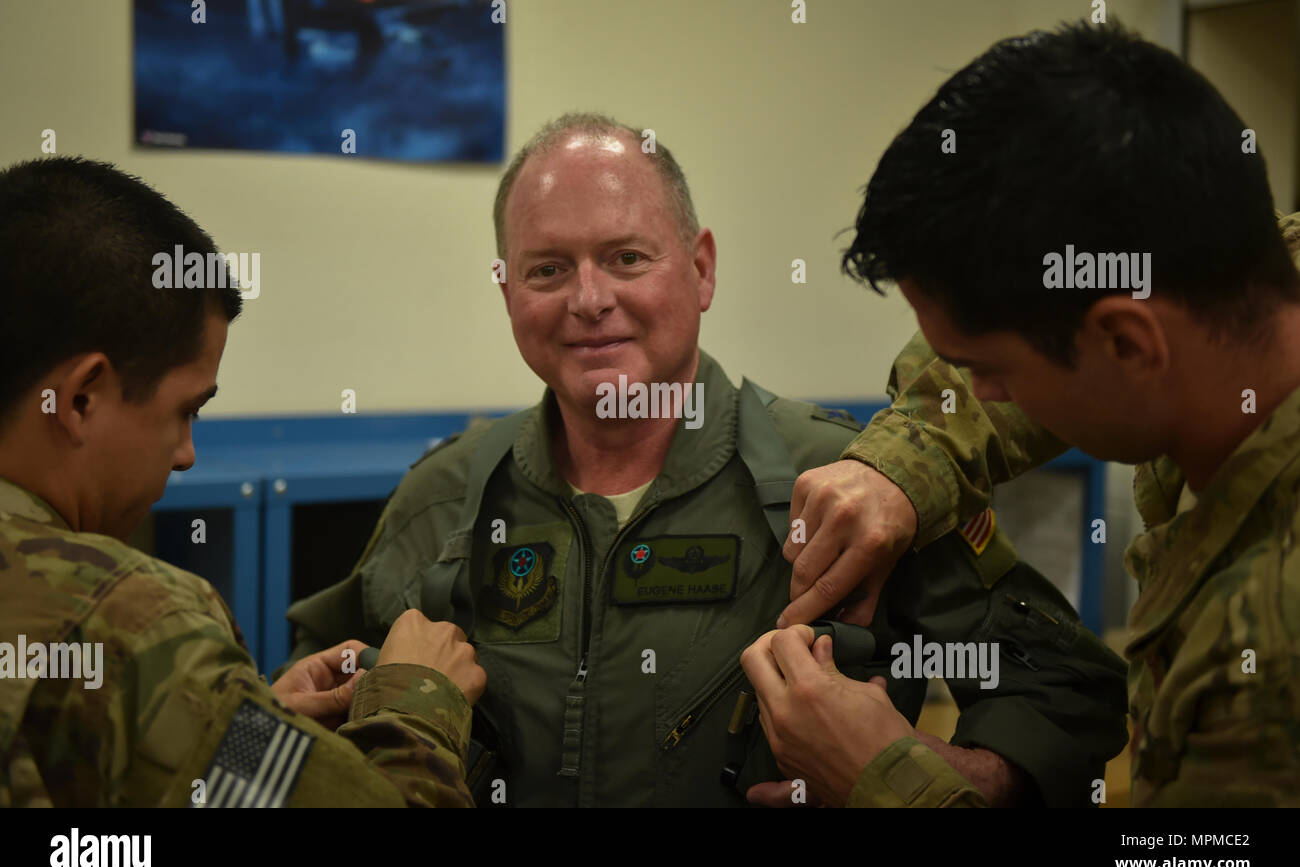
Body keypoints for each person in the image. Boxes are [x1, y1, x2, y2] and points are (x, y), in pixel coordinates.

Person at [285, 113, 1128, 807]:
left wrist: (921, 780)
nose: (589, 299)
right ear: (509, 292)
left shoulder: (846, 487)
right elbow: (287, 702)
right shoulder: (448, 497)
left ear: (700, 269)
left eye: (626, 257)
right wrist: (292, 710)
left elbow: (1068, 693)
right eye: (549, 269)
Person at [756, 21, 1300, 807]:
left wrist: (892, 787)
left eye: (987, 371)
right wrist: (904, 463)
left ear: (1125, 340)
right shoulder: (1244, 275)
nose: (977, 399)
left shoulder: (1267, 655)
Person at [0, 156, 485, 808]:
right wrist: (420, 695)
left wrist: (232, 730)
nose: (186, 455)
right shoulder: (132, 619)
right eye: (184, 412)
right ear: (82, 400)